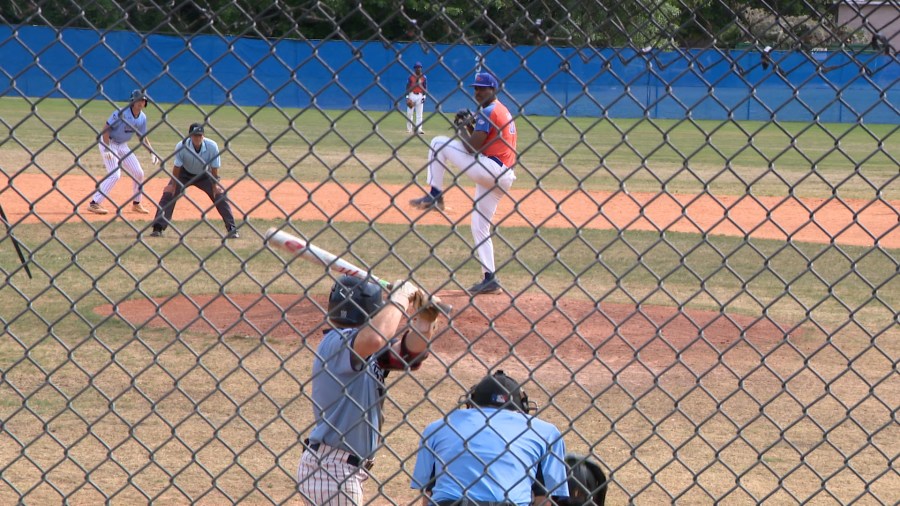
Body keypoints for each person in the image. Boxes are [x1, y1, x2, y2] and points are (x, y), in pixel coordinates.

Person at [297, 276, 443, 505]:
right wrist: (400, 298)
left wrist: (424, 323)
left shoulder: (361, 349)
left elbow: (408, 354)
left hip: (338, 469)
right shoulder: (337, 342)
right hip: (332, 469)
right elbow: (376, 337)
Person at [409, 71, 517, 295]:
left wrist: (460, 127)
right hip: (501, 175)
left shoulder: (488, 111)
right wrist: (470, 125)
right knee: (479, 225)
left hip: (491, 169)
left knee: (439, 142)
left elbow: (472, 148)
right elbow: (484, 143)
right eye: (475, 88)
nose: (477, 92)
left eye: (482, 88)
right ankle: (490, 278)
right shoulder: (501, 109)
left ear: (492, 89)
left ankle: (436, 193)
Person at [411, 370, 569, 506]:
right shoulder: (544, 431)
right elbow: (545, 498)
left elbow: (428, 493)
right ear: (522, 406)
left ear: (472, 402)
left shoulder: (438, 427)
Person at [147, 123, 238, 239]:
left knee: (220, 195)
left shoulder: (212, 146)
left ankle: (232, 228)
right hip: (183, 174)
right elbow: (177, 167)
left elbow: (215, 168)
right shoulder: (181, 146)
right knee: (168, 194)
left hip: (205, 174)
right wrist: (173, 186)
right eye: (195, 135)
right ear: (190, 136)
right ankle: (158, 227)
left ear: (203, 136)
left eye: (200, 135)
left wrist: (215, 186)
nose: (197, 138)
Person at [87, 89, 159, 215]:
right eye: (139, 100)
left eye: (143, 100)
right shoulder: (121, 113)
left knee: (139, 173)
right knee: (115, 174)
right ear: (132, 101)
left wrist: (151, 152)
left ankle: (136, 204)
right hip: (108, 142)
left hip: (122, 145)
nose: (141, 102)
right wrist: (107, 147)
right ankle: (94, 203)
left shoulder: (142, 117)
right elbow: (106, 129)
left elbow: (142, 136)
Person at [406, 62, 428, 134]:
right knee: (409, 113)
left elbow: (425, 87)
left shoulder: (424, 77)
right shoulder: (411, 77)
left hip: (420, 95)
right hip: (412, 94)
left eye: (419, 67)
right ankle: (409, 129)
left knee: (419, 114)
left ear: (421, 68)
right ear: (414, 69)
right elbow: (407, 87)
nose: (418, 68)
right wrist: (407, 97)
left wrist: (424, 96)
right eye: (417, 67)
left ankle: (419, 129)